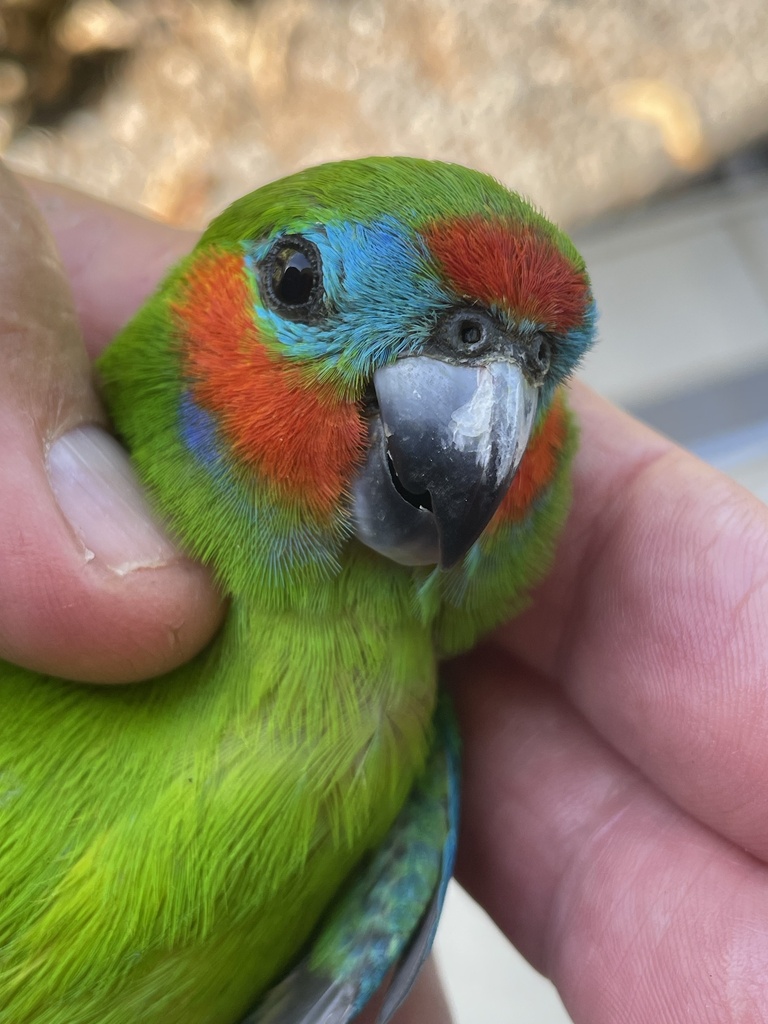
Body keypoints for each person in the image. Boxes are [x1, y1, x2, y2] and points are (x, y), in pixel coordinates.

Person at [6, 161, 768, 1023]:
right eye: (298, 289)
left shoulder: (414, 793)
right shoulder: (32, 543)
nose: (477, 384)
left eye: (541, 370)